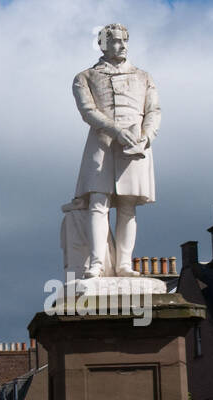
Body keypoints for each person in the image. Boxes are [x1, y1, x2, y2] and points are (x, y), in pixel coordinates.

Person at [72, 23, 160, 278]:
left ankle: (123, 264)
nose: (121, 46)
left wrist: (146, 137)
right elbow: (88, 111)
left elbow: (154, 110)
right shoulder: (85, 76)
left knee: (127, 204)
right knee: (98, 202)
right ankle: (98, 263)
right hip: (101, 144)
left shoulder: (144, 76)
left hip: (136, 145)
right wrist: (116, 131)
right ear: (102, 45)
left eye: (124, 41)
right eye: (114, 41)